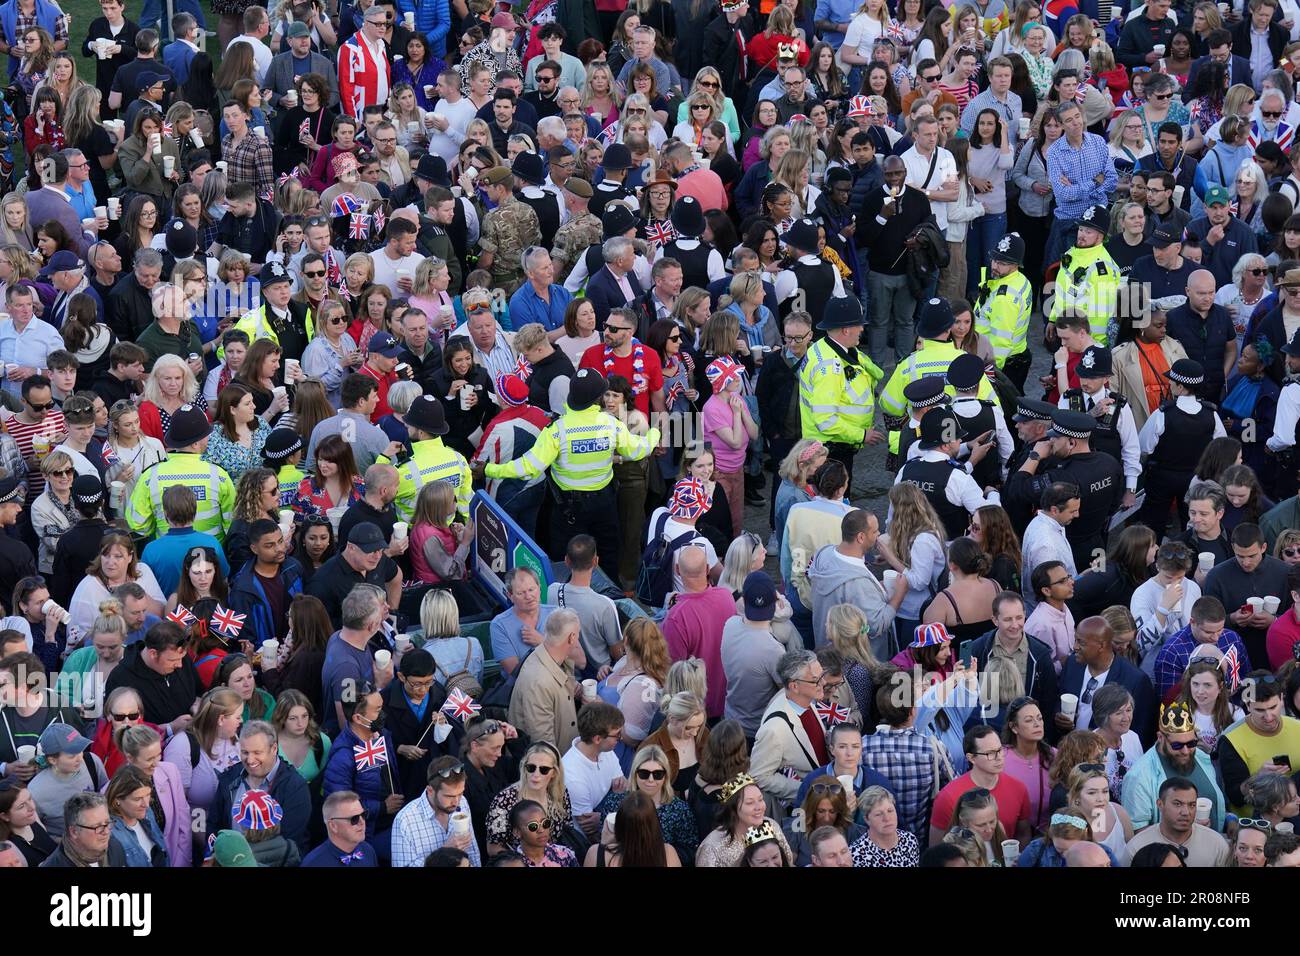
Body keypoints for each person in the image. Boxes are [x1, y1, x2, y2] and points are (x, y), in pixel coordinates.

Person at [480, 367, 658, 563]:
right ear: (597, 398)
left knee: (566, 560)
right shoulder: (611, 424)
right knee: (608, 555)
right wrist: (655, 434)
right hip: (603, 504)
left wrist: (489, 469)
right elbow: (637, 450)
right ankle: (610, 593)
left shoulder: (557, 429)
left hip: (568, 508)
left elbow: (529, 467)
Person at [929, 724, 1032, 848]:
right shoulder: (948, 797)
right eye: (990, 753)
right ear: (971, 758)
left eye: (1000, 750)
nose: (998, 757)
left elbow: (1024, 834)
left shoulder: (1018, 788)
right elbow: (936, 849)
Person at [1218, 670, 1300, 814]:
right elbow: (1234, 797)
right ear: (1247, 706)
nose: (1268, 717)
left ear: (1281, 699)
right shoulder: (1231, 740)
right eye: (1260, 710)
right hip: (1256, 825)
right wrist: (1258, 778)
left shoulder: (1297, 727)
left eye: (1273, 707)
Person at [507, 608, 585, 752]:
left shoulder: (547, 658)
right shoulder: (538, 682)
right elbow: (544, 746)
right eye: (578, 634)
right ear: (572, 638)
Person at [390, 756, 481, 867]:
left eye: (460, 793)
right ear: (430, 791)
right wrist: (444, 852)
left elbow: (472, 852)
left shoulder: (463, 802)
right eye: (449, 796)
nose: (456, 801)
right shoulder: (405, 820)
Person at [1123, 776, 1230, 867]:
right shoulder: (1136, 847)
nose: (1186, 812)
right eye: (1177, 804)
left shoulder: (1217, 845)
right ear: (1160, 804)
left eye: (1192, 805)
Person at [696, 772, 793, 867]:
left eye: (760, 799)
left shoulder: (771, 825)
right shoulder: (712, 848)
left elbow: (788, 862)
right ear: (733, 809)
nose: (759, 807)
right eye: (750, 803)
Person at [39, 792, 128, 868]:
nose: (106, 832)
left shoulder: (114, 846)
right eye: (97, 827)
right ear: (74, 832)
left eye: (107, 823)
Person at [301, 790, 378, 867]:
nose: (362, 822)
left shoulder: (367, 851)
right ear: (333, 826)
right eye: (354, 819)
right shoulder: (314, 863)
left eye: (364, 815)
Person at [849, 785, 921, 867]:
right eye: (878, 814)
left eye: (890, 811)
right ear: (867, 819)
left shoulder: (910, 841)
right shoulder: (856, 855)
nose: (887, 818)